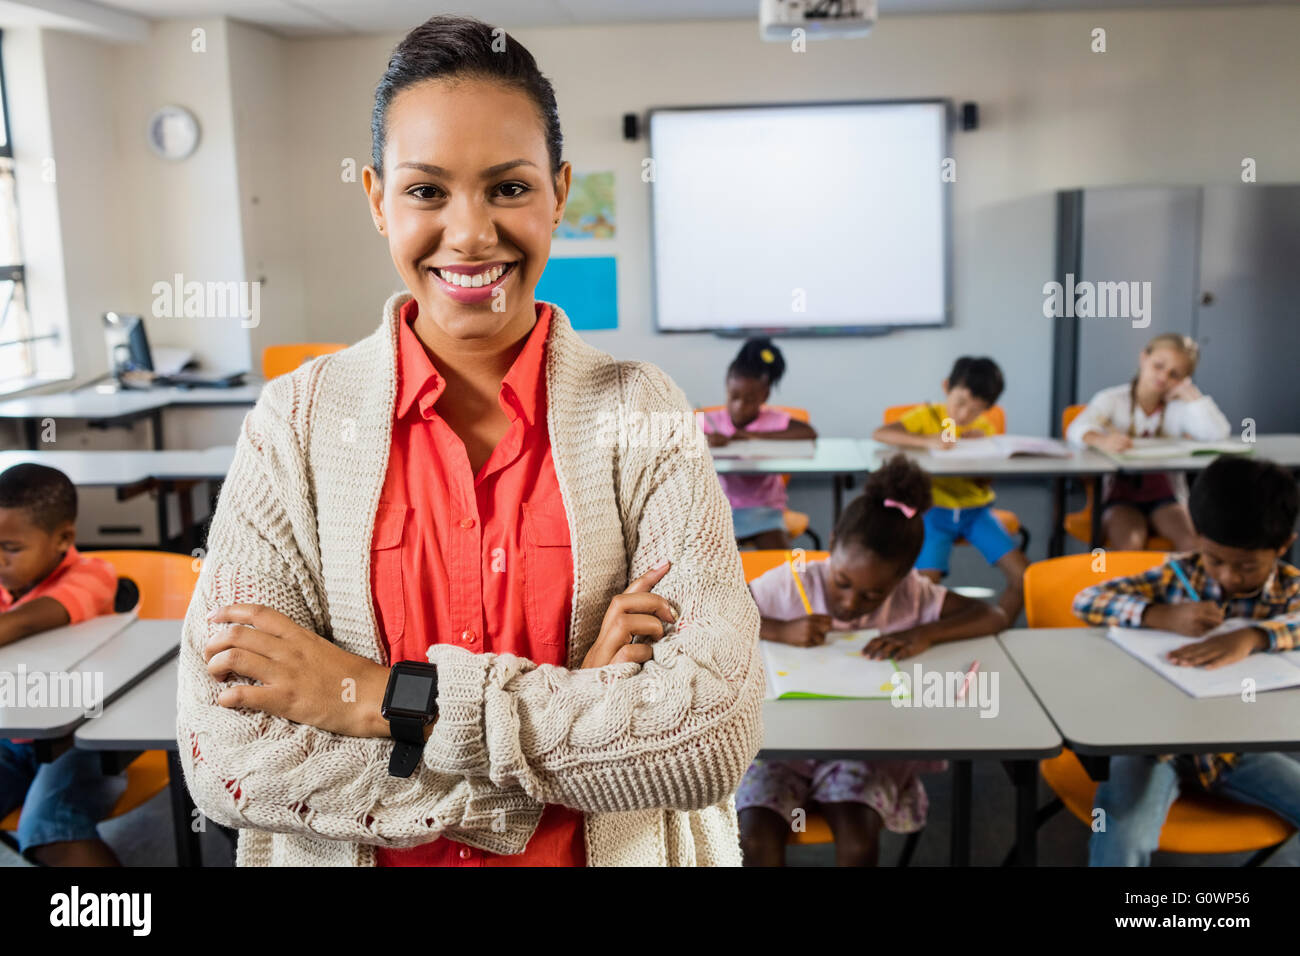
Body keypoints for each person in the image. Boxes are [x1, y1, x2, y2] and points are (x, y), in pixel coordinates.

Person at [175, 15, 763, 868]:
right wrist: (582, 718)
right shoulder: (294, 426)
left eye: (509, 188)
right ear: (378, 199)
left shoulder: (644, 412)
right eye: (427, 191)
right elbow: (228, 760)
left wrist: (379, 698)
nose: (471, 232)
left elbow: (709, 733)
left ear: (559, 191)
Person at [737, 455, 1004, 866]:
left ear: (902, 578)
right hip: (780, 749)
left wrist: (923, 633)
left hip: (863, 750)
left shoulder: (912, 596)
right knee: (754, 840)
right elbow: (718, 611)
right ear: (830, 545)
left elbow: (992, 615)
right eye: (842, 582)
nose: (850, 603)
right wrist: (779, 629)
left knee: (859, 840)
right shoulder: (791, 584)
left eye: (872, 595)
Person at [1073, 455, 1300, 866]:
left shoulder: (1289, 590)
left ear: (1283, 546)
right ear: (1197, 536)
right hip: (1151, 746)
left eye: (1246, 566)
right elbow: (1085, 599)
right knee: (1125, 832)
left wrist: (1253, 636)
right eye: (1216, 560)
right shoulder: (1174, 576)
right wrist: (1158, 615)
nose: (1228, 577)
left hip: (1237, 749)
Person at [0, 463, 121, 866]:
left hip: (85, 737)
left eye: (11, 549)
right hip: (14, 739)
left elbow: (26, 620)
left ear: (63, 538)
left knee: (51, 824)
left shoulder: (94, 575)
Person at [871, 356, 1027, 625]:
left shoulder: (983, 430)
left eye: (976, 410)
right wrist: (927, 440)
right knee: (924, 586)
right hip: (934, 511)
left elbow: (984, 482)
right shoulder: (928, 416)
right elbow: (882, 433)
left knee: (1024, 576)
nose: (965, 415)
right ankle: (929, 631)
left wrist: (982, 453)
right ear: (946, 388)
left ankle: (998, 623)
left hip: (976, 512)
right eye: (961, 403)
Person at [1066, 333, 1230, 551]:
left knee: (1191, 545)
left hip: (1166, 499)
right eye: (1158, 366)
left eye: (1175, 374)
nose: (1163, 376)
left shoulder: (1179, 409)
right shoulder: (1112, 400)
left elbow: (1218, 433)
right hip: (1120, 500)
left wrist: (1192, 396)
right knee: (1130, 544)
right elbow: (1076, 429)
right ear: (1144, 358)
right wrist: (1101, 440)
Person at [698, 337, 818, 549]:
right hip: (718, 510)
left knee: (780, 563)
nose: (740, 406)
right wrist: (706, 440)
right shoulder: (710, 421)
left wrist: (752, 436)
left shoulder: (772, 420)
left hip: (765, 510)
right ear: (727, 387)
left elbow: (808, 432)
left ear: (765, 395)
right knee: (708, 559)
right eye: (734, 397)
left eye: (750, 399)